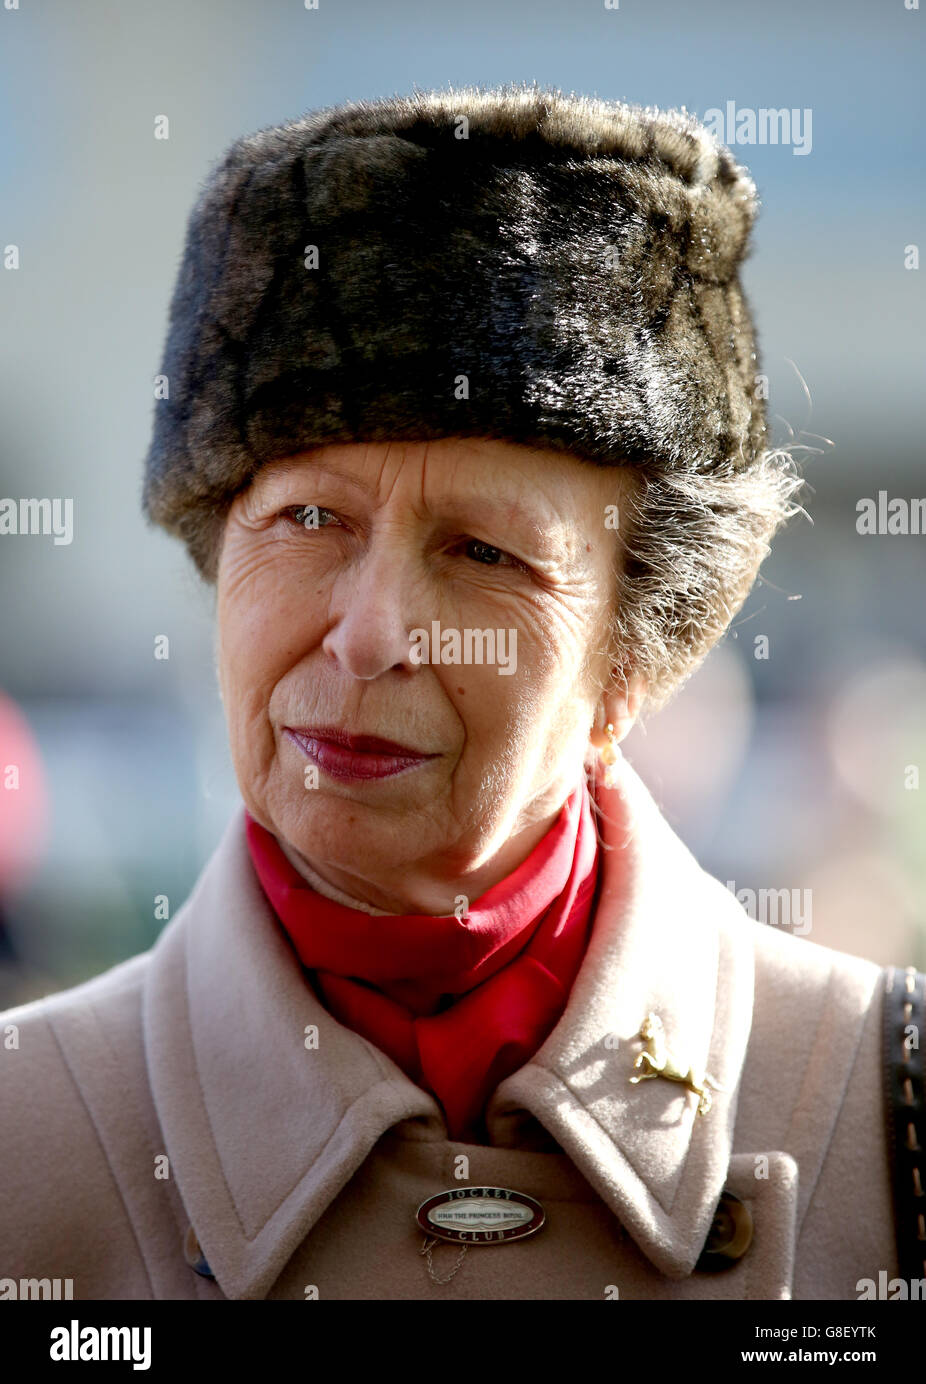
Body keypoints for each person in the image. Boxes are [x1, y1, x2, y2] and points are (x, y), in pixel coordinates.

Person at [0, 82, 900, 1301]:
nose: (368, 636)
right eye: (309, 518)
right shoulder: (28, 1137)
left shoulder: (885, 1124)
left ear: (634, 657)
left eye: (483, 552)